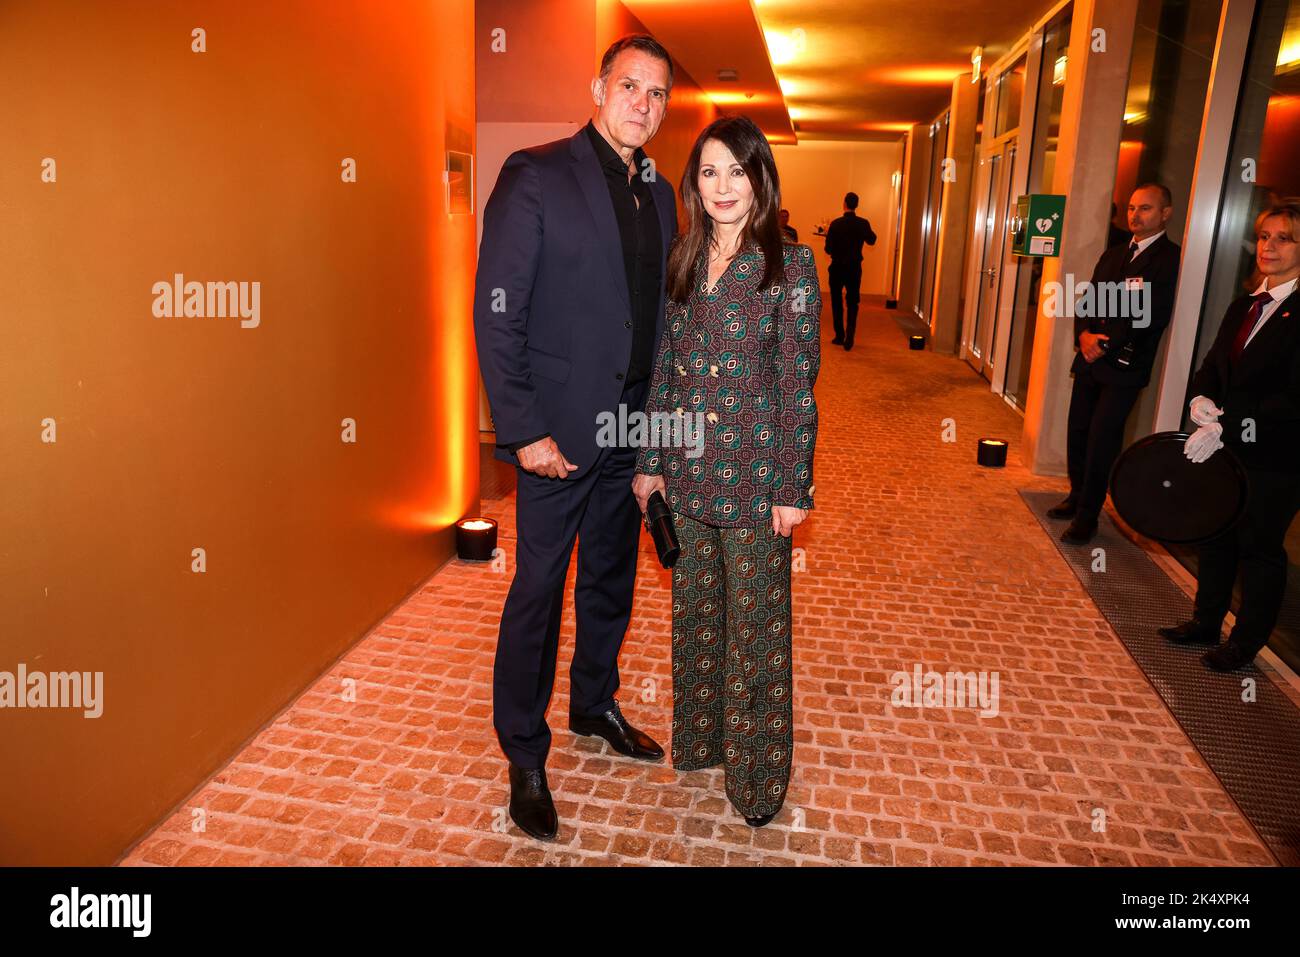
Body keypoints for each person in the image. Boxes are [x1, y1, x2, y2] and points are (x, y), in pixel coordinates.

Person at [472, 34, 677, 841]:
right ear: (598, 88)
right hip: (556, 433)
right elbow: (498, 316)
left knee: (610, 581)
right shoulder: (537, 174)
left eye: (657, 94)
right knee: (538, 591)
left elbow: (657, 321)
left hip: (628, 426)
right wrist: (522, 431)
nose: (643, 104)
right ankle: (524, 751)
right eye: (630, 85)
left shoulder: (660, 194)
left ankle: (593, 703)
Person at [632, 115, 820, 828]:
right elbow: (667, 373)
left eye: (736, 171)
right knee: (699, 619)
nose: (722, 186)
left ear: (760, 179)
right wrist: (650, 464)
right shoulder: (684, 256)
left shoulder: (791, 266)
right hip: (688, 477)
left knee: (756, 631)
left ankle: (758, 775)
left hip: (755, 477)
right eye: (709, 171)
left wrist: (792, 487)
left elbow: (797, 383)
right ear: (693, 183)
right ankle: (706, 742)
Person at [1160, 201, 1300, 672]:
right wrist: (1201, 399)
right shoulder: (1246, 304)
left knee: (1258, 547)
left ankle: (1245, 643)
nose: (1270, 246)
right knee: (1216, 534)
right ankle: (1205, 622)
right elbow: (1215, 365)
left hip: (1278, 455)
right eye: (1264, 236)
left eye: (1284, 238)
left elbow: (1295, 397)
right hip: (1227, 445)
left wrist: (1231, 417)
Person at [1052, 183, 1181, 543]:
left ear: (1165, 214)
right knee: (1078, 431)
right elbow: (1088, 300)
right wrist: (1084, 336)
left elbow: (1151, 316)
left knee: (1101, 440)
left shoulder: (1170, 259)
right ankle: (1076, 496)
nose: (1136, 216)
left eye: (1146, 209)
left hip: (1125, 365)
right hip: (1091, 358)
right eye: (1132, 209)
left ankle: (1088, 516)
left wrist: (1102, 345)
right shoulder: (1113, 254)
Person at [824, 191, 876, 350]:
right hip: (854, 268)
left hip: (837, 267)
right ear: (857, 205)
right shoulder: (863, 223)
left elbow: (828, 249)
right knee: (853, 302)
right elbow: (872, 240)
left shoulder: (835, 224)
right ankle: (850, 336)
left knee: (836, 301)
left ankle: (839, 336)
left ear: (844, 204)